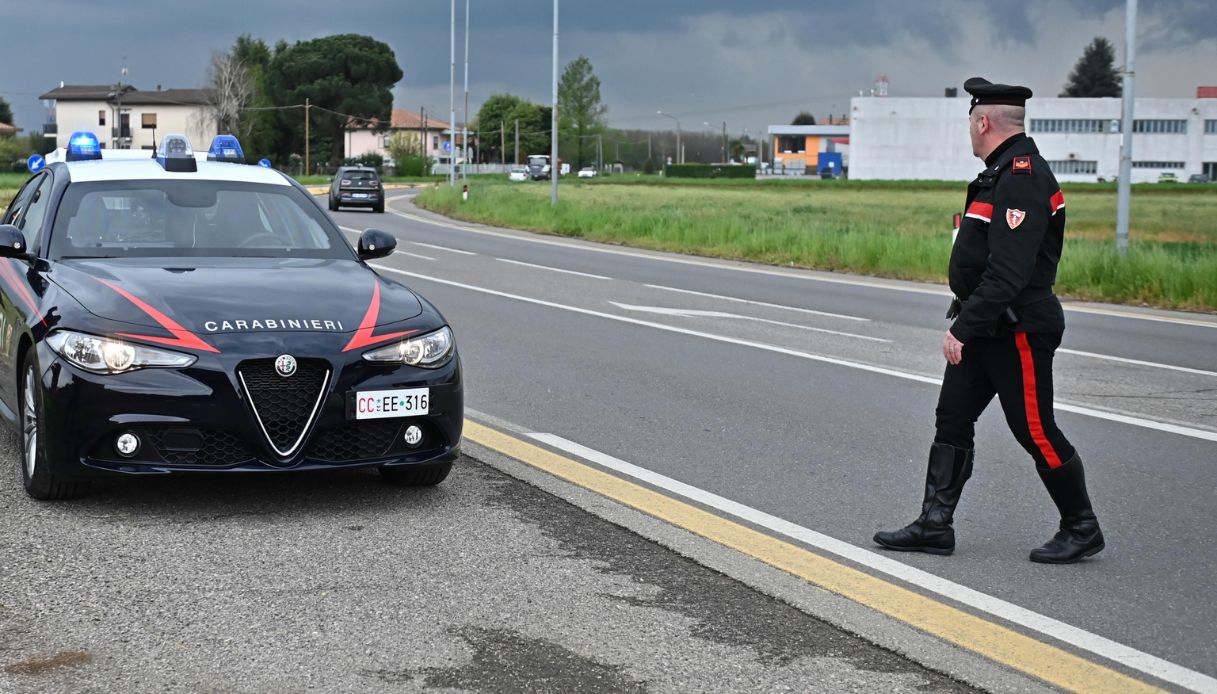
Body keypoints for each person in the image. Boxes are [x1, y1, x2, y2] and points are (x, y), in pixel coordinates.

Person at [873, 77, 1105, 564]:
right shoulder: (996, 174)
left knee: (1034, 429)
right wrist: (971, 321)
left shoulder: (1022, 178)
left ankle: (1082, 527)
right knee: (952, 418)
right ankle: (935, 524)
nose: (970, 131)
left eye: (970, 123)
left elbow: (1008, 273)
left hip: (1016, 326)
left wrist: (962, 327)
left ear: (983, 121)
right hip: (987, 324)